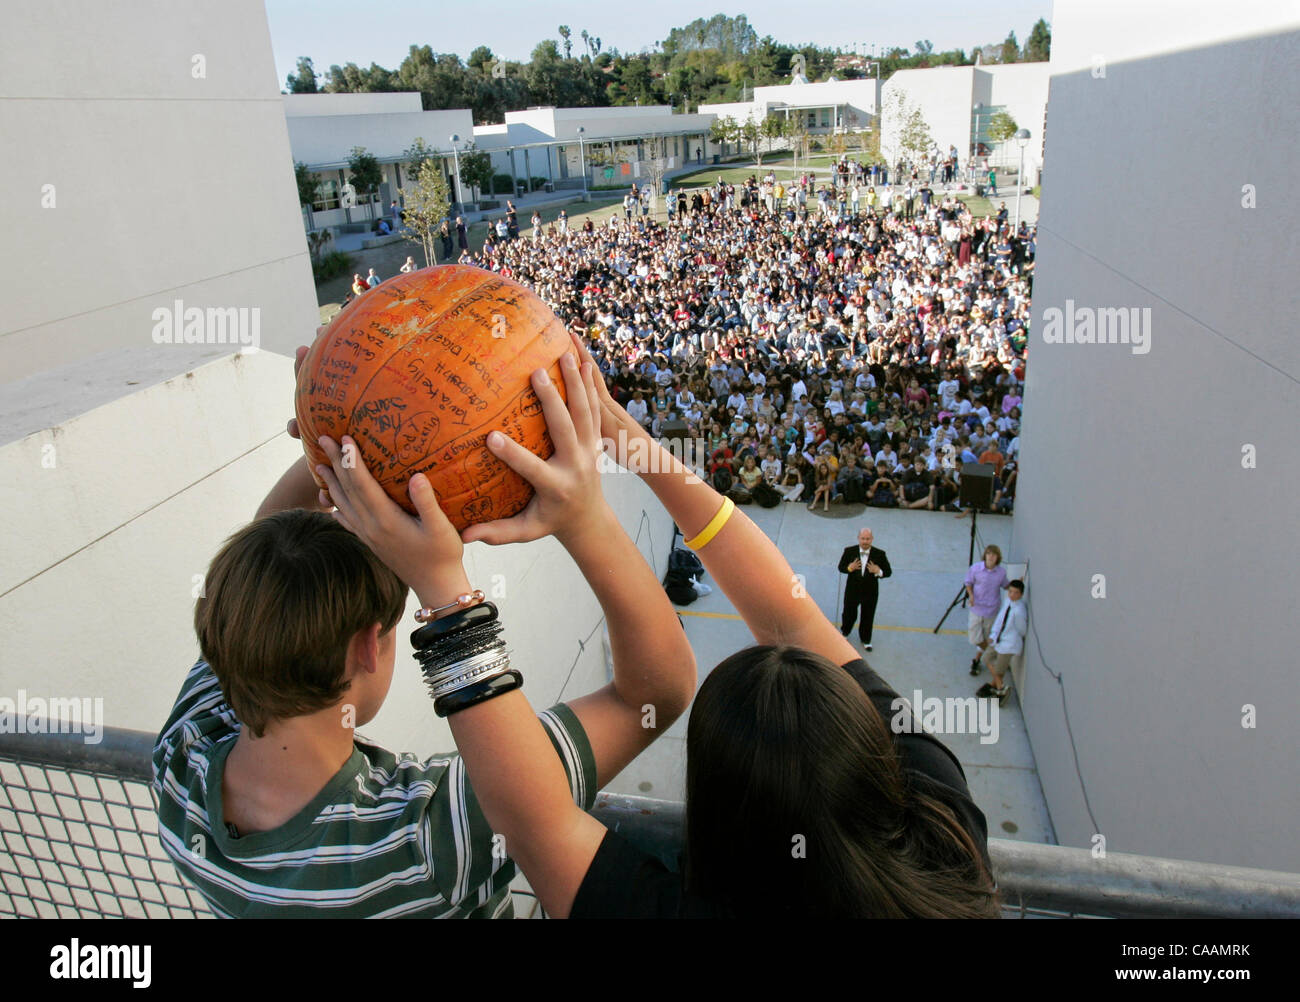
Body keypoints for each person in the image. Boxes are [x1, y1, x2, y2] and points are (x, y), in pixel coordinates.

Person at [319, 336, 994, 918]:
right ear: (875, 754)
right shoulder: (944, 837)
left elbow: (531, 819)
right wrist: (447, 585)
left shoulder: (945, 819)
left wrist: (604, 475)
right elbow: (531, 818)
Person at [153, 348, 694, 918]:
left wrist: (332, 455)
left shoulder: (181, 765)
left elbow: (257, 588)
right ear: (369, 647)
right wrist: (581, 520)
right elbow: (653, 694)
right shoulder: (431, 841)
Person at [837, 527, 891, 653]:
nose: (865, 541)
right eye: (863, 538)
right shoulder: (849, 551)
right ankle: (845, 632)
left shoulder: (880, 554)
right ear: (858, 538)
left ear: (872, 539)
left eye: (867, 539)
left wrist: (879, 571)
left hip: (870, 591)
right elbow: (841, 567)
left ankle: (866, 640)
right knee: (848, 612)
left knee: (868, 615)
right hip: (852, 590)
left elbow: (888, 572)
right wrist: (849, 568)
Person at [976, 580, 1026, 704]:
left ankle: (995, 687)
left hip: (1009, 644)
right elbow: (1000, 619)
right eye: (1010, 591)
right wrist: (993, 635)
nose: (1012, 595)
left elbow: (1022, 629)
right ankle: (1000, 687)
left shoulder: (1019, 611)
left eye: (1016, 593)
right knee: (986, 659)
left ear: (1021, 594)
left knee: (999, 669)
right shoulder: (1007, 602)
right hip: (998, 640)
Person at [963, 545, 1009, 677]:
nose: (990, 556)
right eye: (988, 553)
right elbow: (968, 582)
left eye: (993, 554)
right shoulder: (975, 568)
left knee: (987, 638)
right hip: (976, 608)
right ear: (985, 555)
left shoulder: (1001, 573)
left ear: (997, 558)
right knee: (975, 638)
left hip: (991, 610)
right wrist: (971, 595)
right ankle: (994, 657)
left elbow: (1006, 585)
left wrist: (1018, 584)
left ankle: (977, 660)